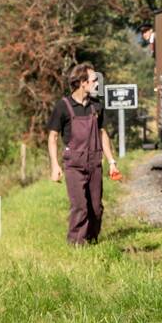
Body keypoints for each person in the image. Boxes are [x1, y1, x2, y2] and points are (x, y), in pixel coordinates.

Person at [48, 62, 120, 245]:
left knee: (96, 208)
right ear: (82, 82)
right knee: (80, 207)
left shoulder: (97, 106)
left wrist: (111, 161)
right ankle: (76, 244)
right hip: (74, 165)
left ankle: (92, 241)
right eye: (94, 80)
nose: (97, 83)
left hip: (94, 163)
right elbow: (53, 137)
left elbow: (103, 134)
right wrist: (55, 165)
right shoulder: (63, 106)